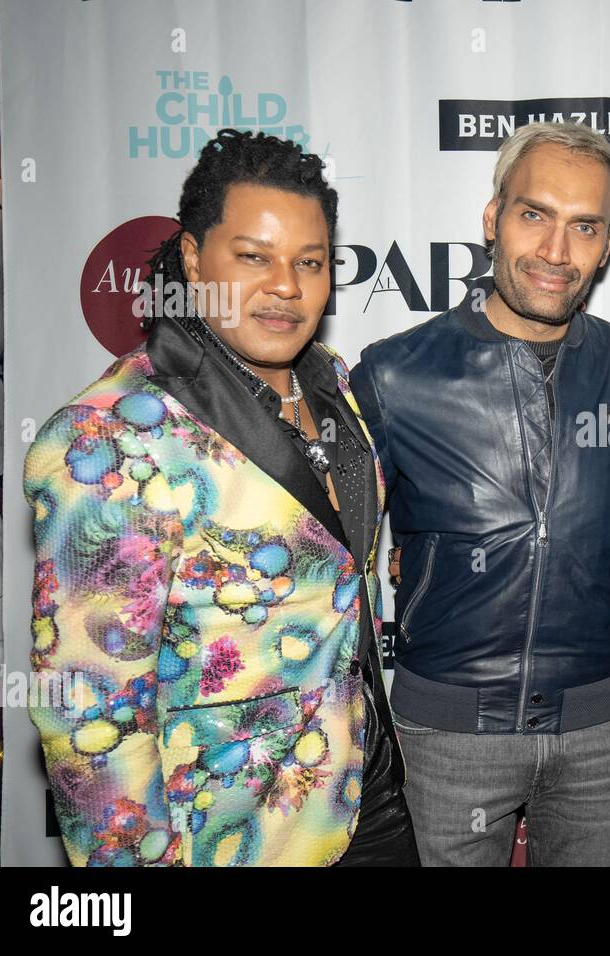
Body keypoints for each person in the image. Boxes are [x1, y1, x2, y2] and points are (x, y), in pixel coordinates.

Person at [24, 129, 418, 866]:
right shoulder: (110, 436)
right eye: (254, 257)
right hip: (228, 833)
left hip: (369, 794)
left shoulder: (331, 381)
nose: (286, 286)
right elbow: (89, 719)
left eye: (309, 262)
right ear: (194, 258)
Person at [350, 122, 610, 866]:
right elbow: (335, 552)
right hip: (447, 733)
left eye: (585, 226)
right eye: (535, 214)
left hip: (600, 731)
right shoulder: (395, 374)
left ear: (606, 244)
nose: (556, 251)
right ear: (492, 218)